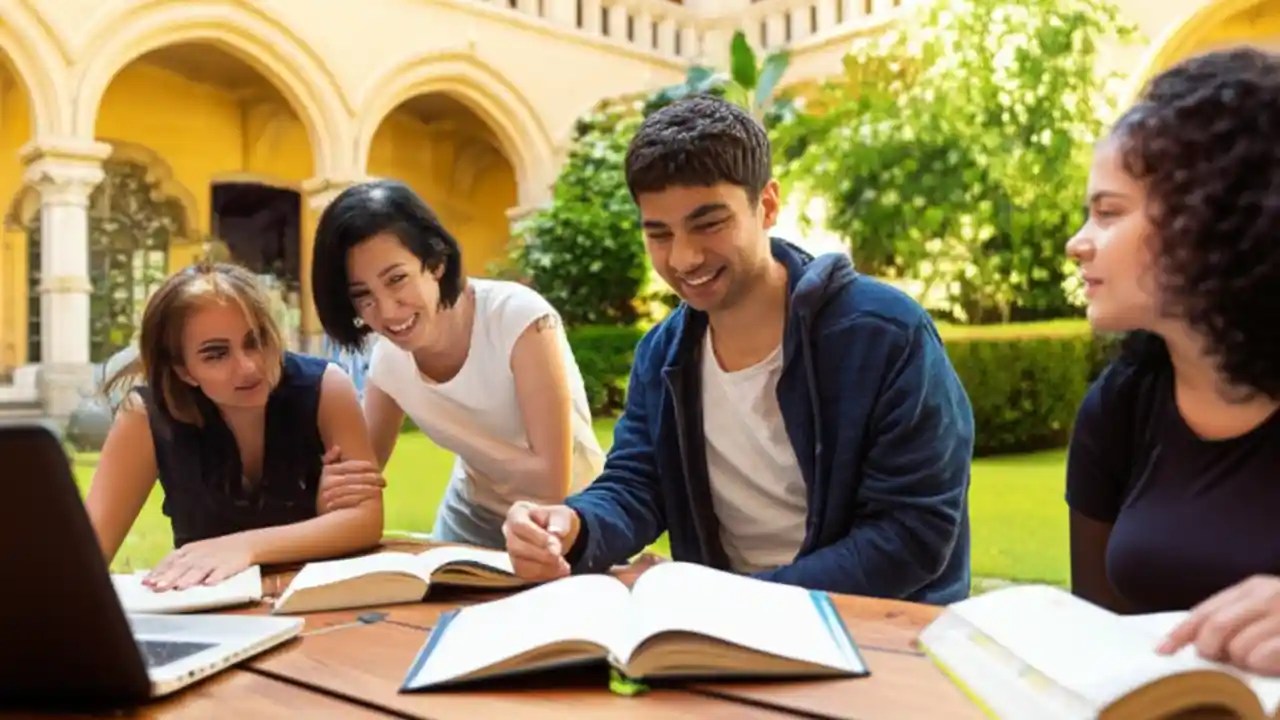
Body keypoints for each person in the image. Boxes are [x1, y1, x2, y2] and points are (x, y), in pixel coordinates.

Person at [501, 95, 975, 603]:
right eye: (659, 234)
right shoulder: (662, 356)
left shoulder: (884, 333)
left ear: (767, 205)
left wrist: (731, 598)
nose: (684, 257)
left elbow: (910, 536)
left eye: (709, 224)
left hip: (875, 633)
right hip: (722, 635)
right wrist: (574, 525)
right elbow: (637, 484)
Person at [1063, 47, 1280, 674]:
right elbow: (1095, 631)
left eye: (1107, 213)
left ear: (1210, 222)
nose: (1079, 243)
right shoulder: (1121, 404)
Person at [309, 180, 605, 549]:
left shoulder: (519, 320)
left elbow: (550, 480)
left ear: (435, 262)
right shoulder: (389, 360)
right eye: (362, 296)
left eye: (397, 279)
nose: (386, 311)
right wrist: (333, 485)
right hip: (470, 515)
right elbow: (363, 475)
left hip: (563, 519)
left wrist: (458, 437)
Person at [87, 262, 385, 591]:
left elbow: (365, 520)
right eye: (216, 354)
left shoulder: (327, 388)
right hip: (211, 616)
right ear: (184, 370)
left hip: (317, 606)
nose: (248, 367)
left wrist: (243, 547)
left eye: (255, 341)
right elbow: (86, 556)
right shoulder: (146, 417)